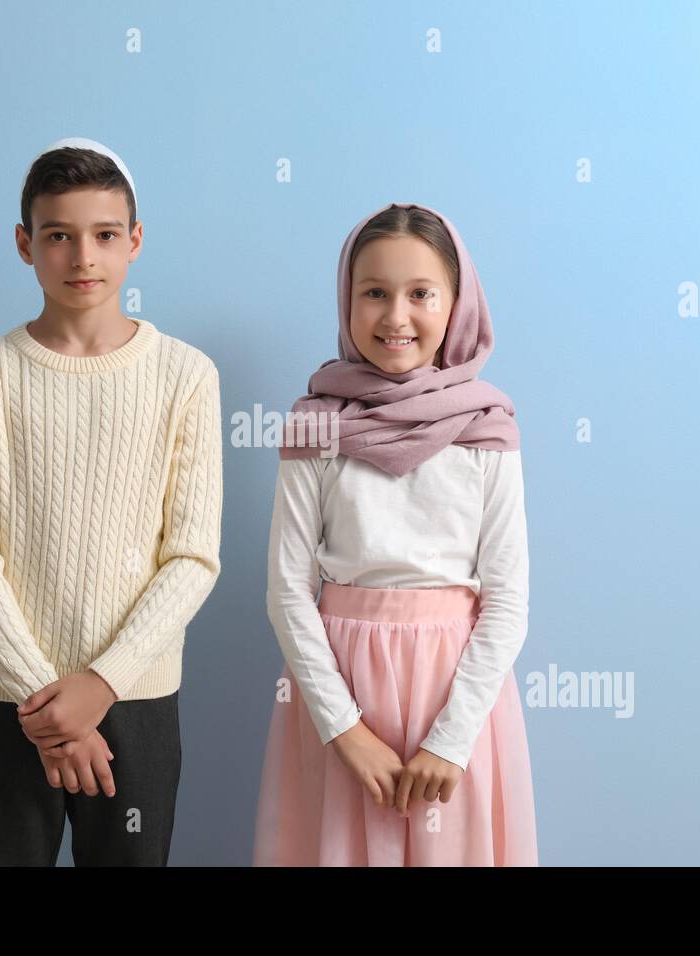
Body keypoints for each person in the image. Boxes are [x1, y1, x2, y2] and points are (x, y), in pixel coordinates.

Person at [0, 137, 222, 866]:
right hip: (5, 702)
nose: (82, 258)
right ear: (24, 245)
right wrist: (50, 707)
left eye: (102, 236)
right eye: (58, 236)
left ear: (134, 242)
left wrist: (99, 686)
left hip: (136, 698)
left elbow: (191, 556)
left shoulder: (185, 376)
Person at [253, 202, 536, 866]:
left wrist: (451, 739)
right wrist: (346, 730)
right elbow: (288, 594)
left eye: (420, 294)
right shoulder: (316, 426)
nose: (396, 316)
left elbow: (508, 599)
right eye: (373, 293)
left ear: (457, 303)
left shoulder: (488, 429)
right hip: (338, 695)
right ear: (346, 301)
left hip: (458, 700)